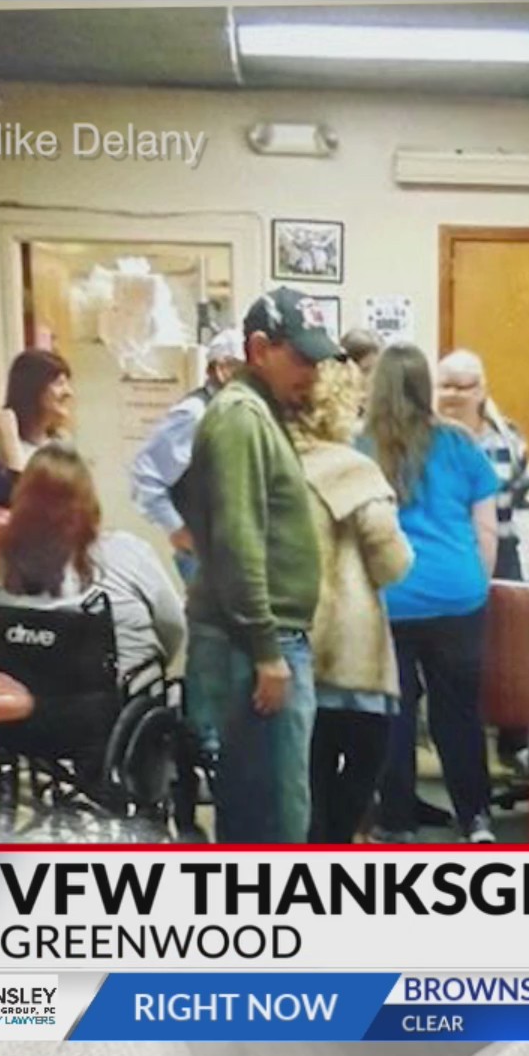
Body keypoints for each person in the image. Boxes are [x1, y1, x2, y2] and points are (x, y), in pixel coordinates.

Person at [178, 286, 338, 844]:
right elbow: (239, 541)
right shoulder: (241, 419)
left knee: (260, 805)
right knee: (272, 816)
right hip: (251, 644)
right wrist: (267, 650)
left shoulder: (257, 415)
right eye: (302, 359)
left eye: (318, 362)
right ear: (260, 348)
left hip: (256, 638)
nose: (313, 375)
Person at [364, 344, 501, 844]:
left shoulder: (358, 447)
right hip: (457, 594)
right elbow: (486, 530)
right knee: (459, 712)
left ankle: (396, 823)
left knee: (394, 713)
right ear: (427, 387)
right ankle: (476, 819)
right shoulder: (462, 443)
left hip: (389, 597)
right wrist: (475, 587)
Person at [289, 359, 413, 844]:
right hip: (353, 650)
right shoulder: (354, 471)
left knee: (310, 772)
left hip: (296, 644)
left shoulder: (277, 462)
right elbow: (392, 562)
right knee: (365, 762)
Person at [0, 444, 184, 680]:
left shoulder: (0, 563)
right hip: (124, 695)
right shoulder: (127, 551)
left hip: (29, 697)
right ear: (87, 500)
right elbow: (174, 625)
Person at [126, 330, 244, 581]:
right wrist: (177, 529)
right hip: (204, 558)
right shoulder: (195, 414)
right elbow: (146, 474)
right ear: (223, 370)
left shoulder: (230, 412)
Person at [435, 349, 529, 582]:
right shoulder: (421, 440)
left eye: (461, 387)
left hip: (502, 557)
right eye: (445, 386)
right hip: (443, 554)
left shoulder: (508, 440)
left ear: (481, 391)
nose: (452, 394)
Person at [0, 348, 75, 506]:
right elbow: (25, 504)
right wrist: (9, 437)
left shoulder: (62, 445)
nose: (69, 392)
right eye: (60, 383)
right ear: (33, 389)